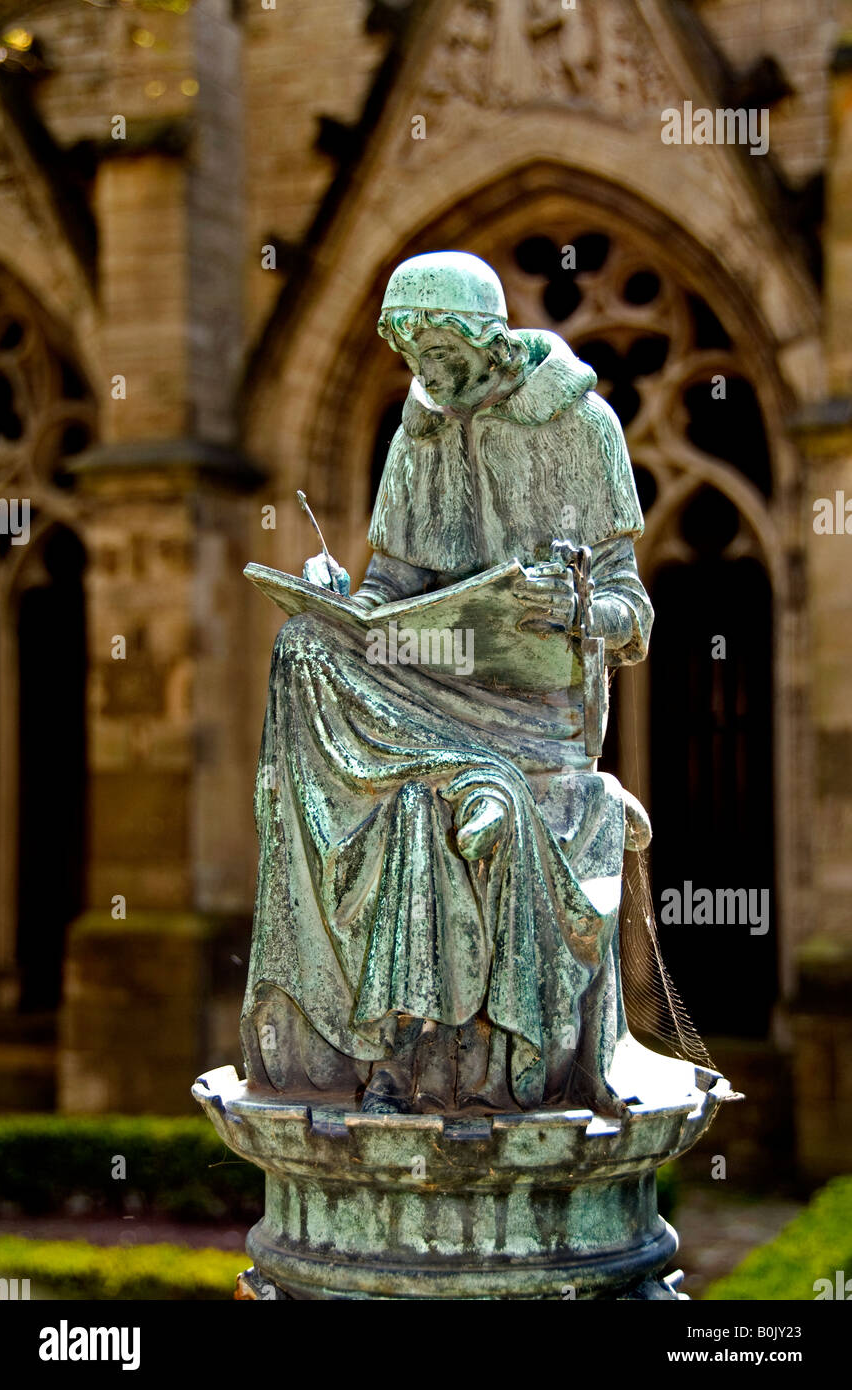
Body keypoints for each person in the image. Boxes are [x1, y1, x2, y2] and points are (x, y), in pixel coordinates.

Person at [240, 251, 659, 1117]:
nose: (427, 376)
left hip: (537, 711)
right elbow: (390, 588)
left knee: (473, 807)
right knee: (301, 650)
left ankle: (450, 1059)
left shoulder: (582, 427)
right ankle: (360, 1034)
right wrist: (343, 603)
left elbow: (633, 611)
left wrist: (579, 608)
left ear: (488, 339)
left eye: (442, 355)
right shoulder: (419, 428)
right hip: (425, 690)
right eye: (413, 357)